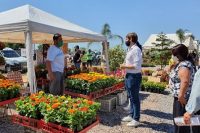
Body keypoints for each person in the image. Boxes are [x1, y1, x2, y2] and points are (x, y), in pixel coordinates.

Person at [169, 44, 196, 133]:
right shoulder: (183, 63)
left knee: (181, 124)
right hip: (182, 98)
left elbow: (185, 81)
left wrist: (181, 96)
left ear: (178, 55)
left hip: (182, 99)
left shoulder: (184, 65)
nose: (172, 57)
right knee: (181, 123)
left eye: (173, 54)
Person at [121, 32, 142, 127]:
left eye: (126, 39)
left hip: (134, 77)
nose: (125, 40)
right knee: (130, 97)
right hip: (129, 75)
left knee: (135, 98)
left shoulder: (136, 50)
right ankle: (131, 115)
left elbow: (136, 66)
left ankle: (136, 118)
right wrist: (124, 69)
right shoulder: (130, 49)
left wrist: (124, 66)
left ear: (131, 39)